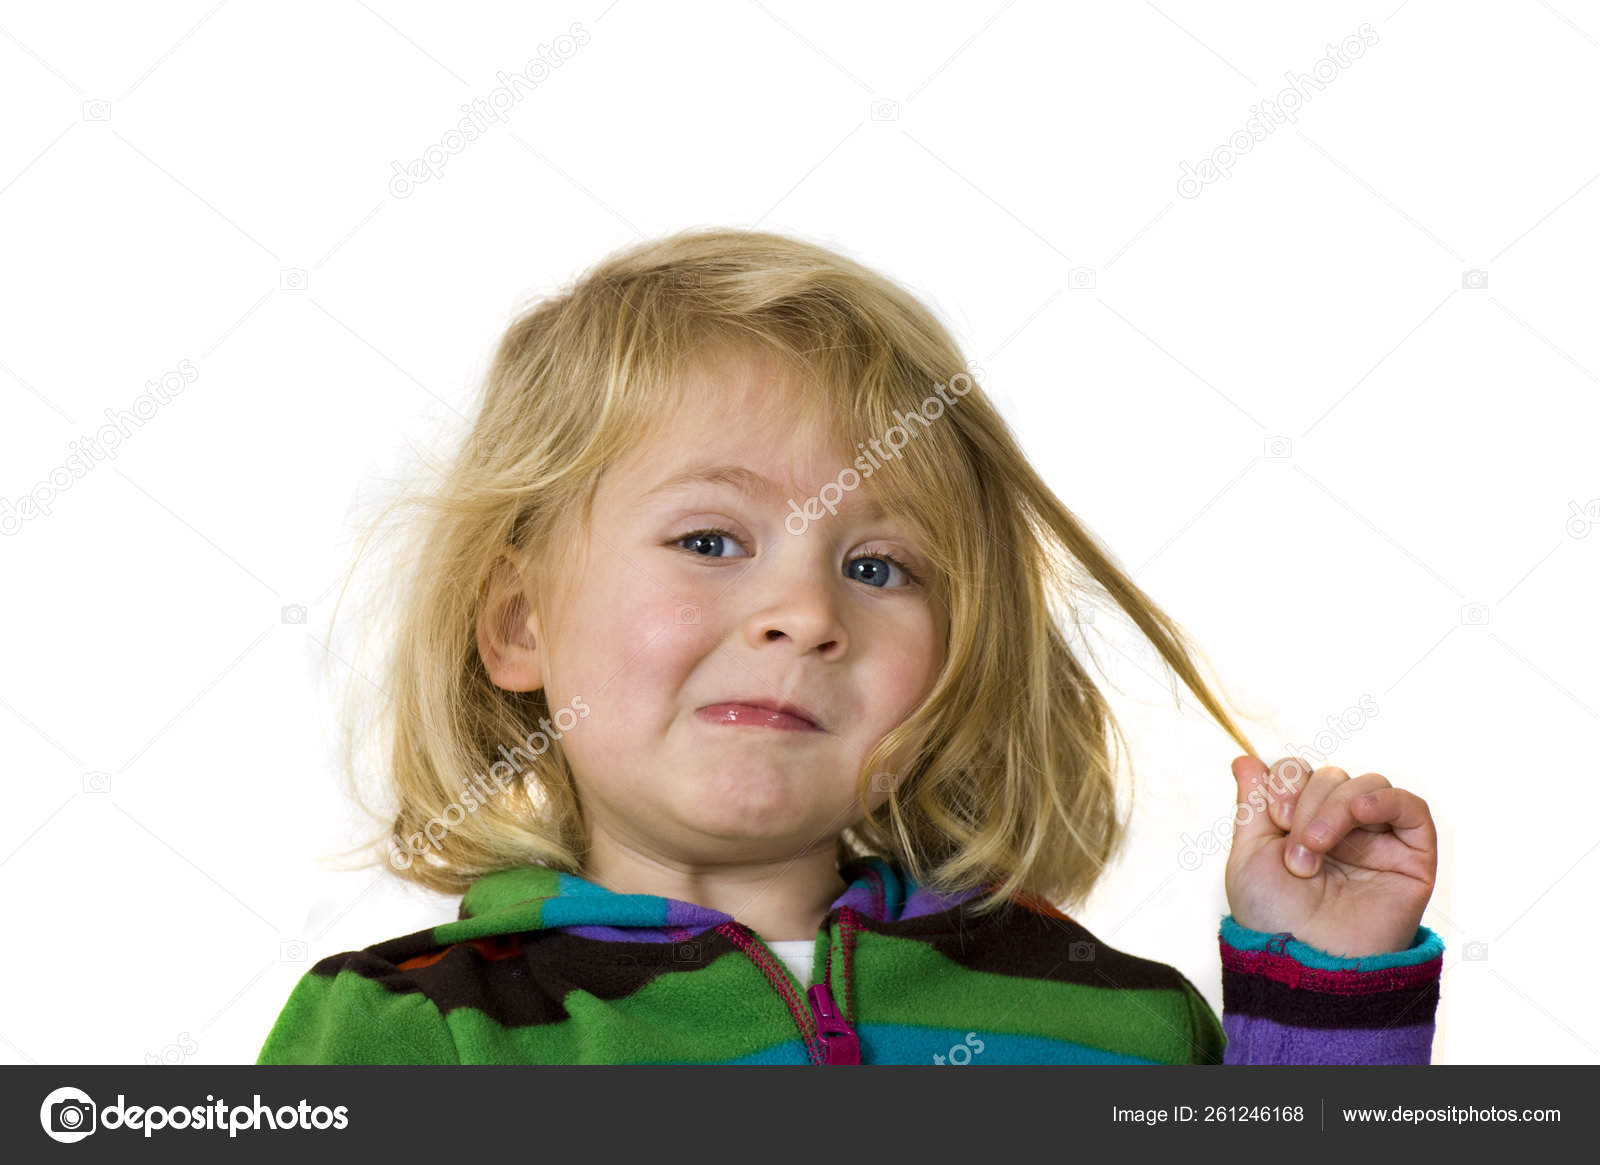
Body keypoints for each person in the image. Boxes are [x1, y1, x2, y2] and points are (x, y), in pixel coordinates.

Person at [257, 228, 1442, 1065]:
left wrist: (1324, 996)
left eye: (878, 568)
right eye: (711, 538)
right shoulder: (408, 1033)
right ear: (518, 622)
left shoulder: (1118, 1020)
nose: (808, 613)